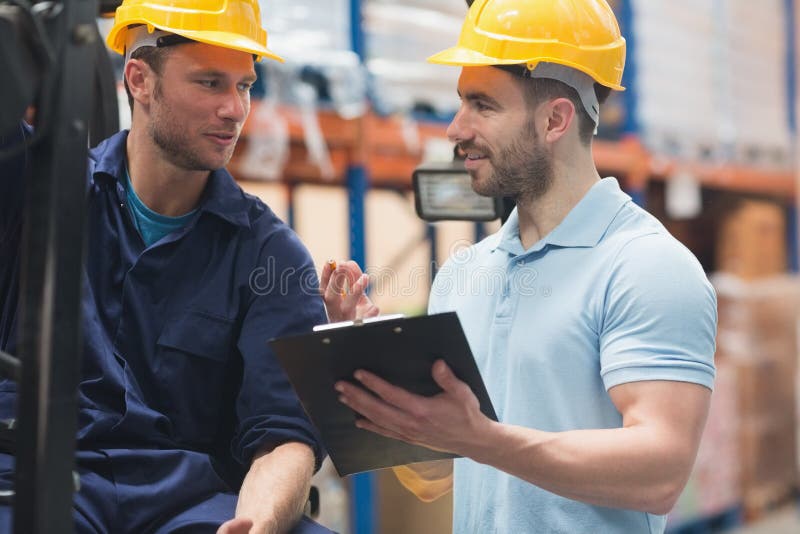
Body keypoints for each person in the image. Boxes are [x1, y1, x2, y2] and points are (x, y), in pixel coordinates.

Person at [329, 0, 717, 532]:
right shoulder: (463, 275)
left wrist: (483, 439)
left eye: (482, 105)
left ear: (555, 119)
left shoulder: (647, 266)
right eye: (460, 102)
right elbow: (436, 471)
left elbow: (660, 473)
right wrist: (375, 369)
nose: (455, 128)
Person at [0, 0, 371, 532]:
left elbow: (283, 435)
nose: (235, 109)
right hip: (35, 472)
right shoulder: (38, 192)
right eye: (210, 83)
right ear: (139, 81)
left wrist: (259, 522)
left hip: (178, 502)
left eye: (244, 86)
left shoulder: (272, 255)